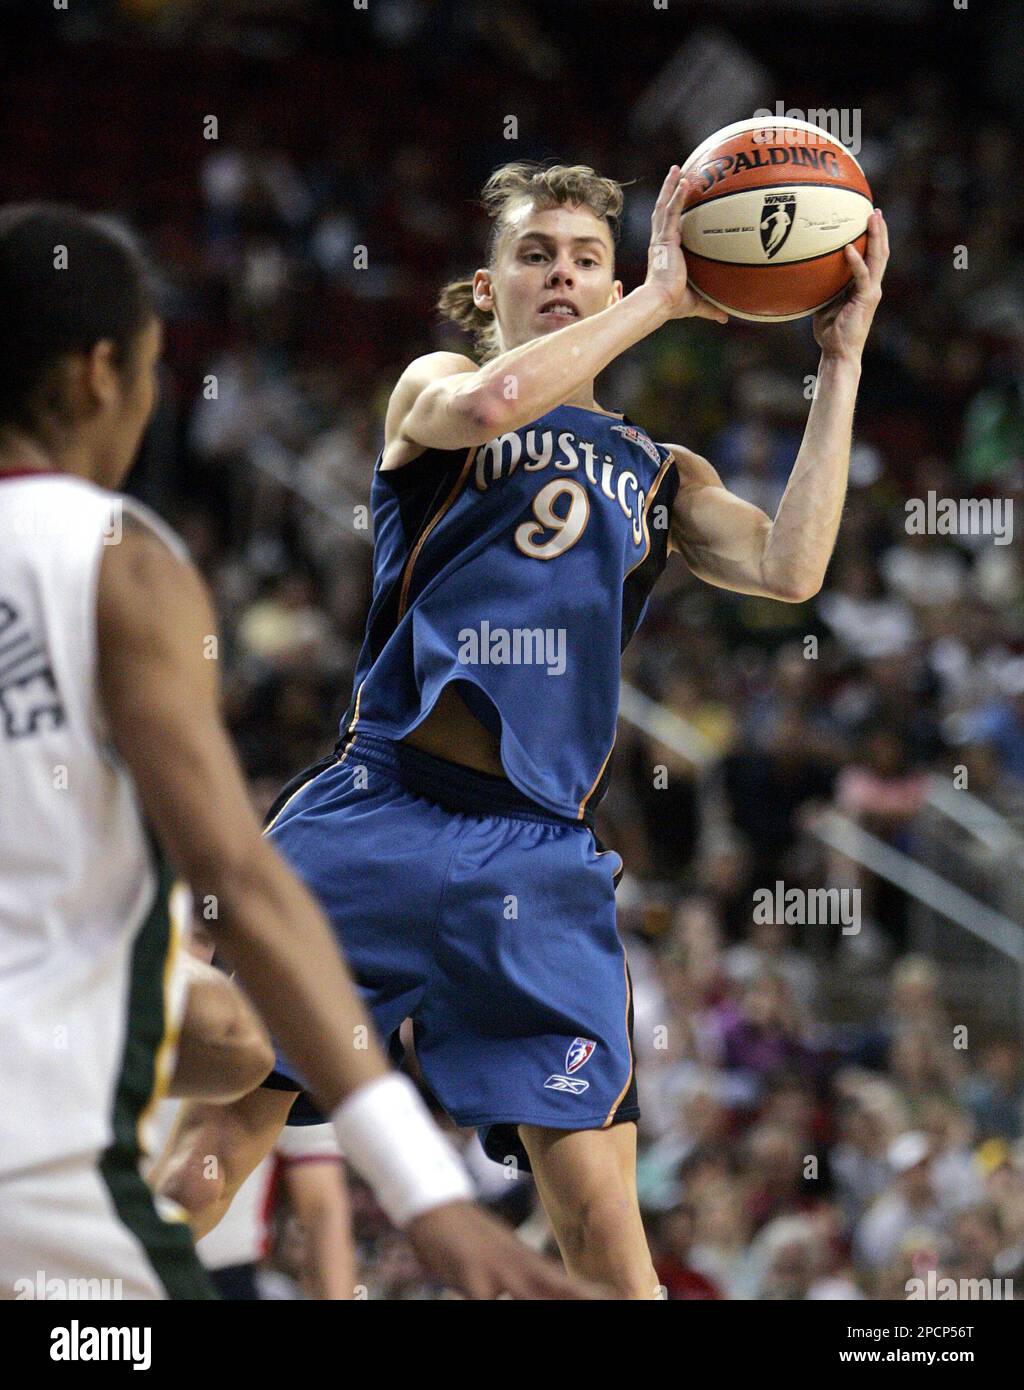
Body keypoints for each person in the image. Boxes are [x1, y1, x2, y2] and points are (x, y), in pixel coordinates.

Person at [161, 159, 888, 1298]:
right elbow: (497, 403)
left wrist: (838, 363)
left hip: (542, 855)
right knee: (208, 1160)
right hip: (374, 816)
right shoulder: (436, 385)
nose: (562, 274)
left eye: (586, 258)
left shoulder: (659, 470)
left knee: (608, 1239)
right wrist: (662, 295)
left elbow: (792, 567)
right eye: (536, 254)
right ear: (486, 282)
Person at [0, 202, 585, 1300]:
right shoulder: (113, 560)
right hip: (41, 1183)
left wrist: (201, 1028)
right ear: (94, 375)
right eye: (151, 369)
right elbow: (240, 884)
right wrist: (428, 1192)